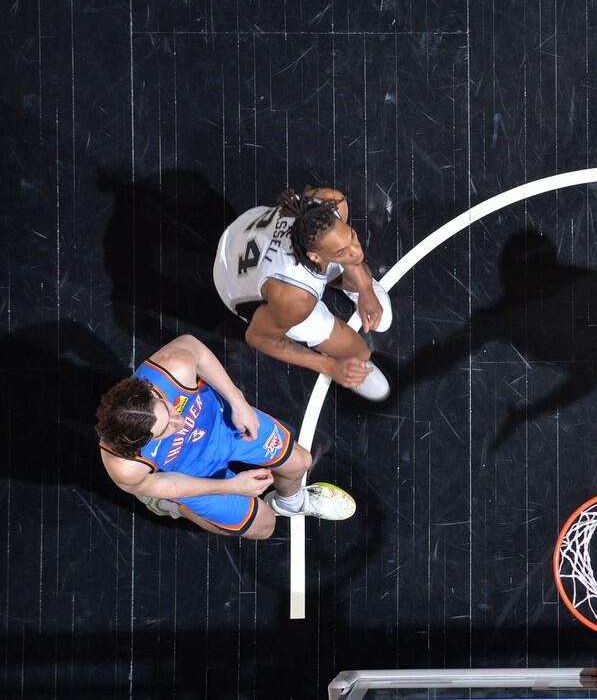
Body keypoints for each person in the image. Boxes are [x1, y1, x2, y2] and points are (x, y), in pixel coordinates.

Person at [96, 335, 356, 538]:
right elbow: (172, 484)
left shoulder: (173, 367)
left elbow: (196, 350)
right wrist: (231, 487)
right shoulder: (126, 468)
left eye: (169, 410)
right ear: (140, 444)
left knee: (300, 462)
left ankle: (292, 503)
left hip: (220, 425)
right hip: (186, 471)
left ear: (152, 394)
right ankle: (174, 508)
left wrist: (238, 401)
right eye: (165, 430)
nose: (180, 421)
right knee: (265, 526)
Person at [213, 187, 391, 400]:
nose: (357, 251)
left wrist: (366, 289)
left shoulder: (330, 202)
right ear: (314, 257)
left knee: (359, 275)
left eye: (351, 236)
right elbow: (259, 338)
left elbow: (345, 247)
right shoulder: (294, 299)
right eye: (342, 252)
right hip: (233, 281)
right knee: (359, 352)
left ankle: (349, 280)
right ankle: (347, 362)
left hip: (244, 231)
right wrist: (331, 366)